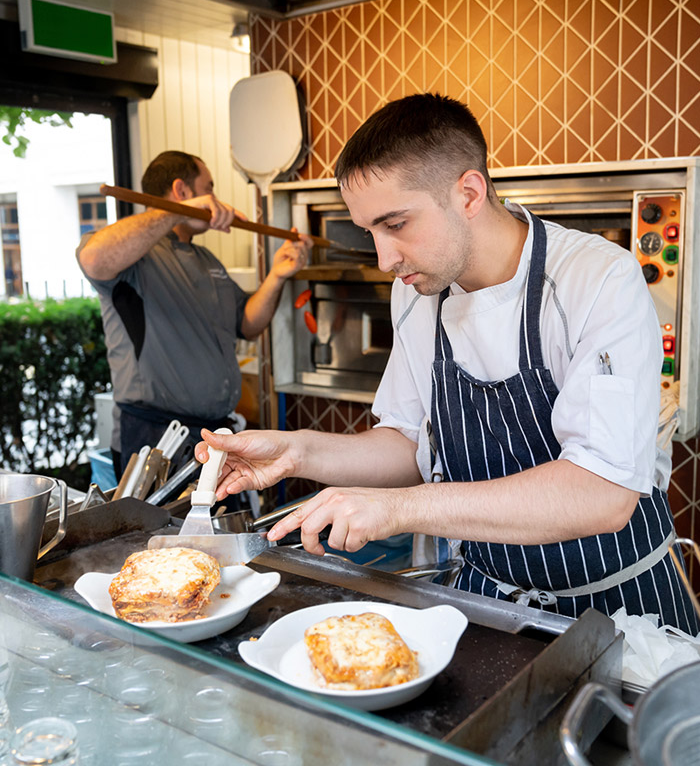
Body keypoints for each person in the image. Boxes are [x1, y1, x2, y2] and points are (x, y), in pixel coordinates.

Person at [195, 95, 698, 634]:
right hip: (490, 603)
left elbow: (602, 493)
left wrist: (398, 509)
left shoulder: (598, 280)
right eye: (370, 233)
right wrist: (295, 452)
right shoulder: (417, 292)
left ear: (469, 193)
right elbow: (408, 444)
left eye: (396, 224)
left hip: (621, 610)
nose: (385, 259)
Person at [77, 150, 312, 486]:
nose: (214, 199)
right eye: (209, 188)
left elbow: (248, 324)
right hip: (154, 438)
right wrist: (176, 212)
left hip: (211, 434)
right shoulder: (136, 257)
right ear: (182, 190)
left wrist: (277, 275)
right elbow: (93, 258)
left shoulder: (207, 260)